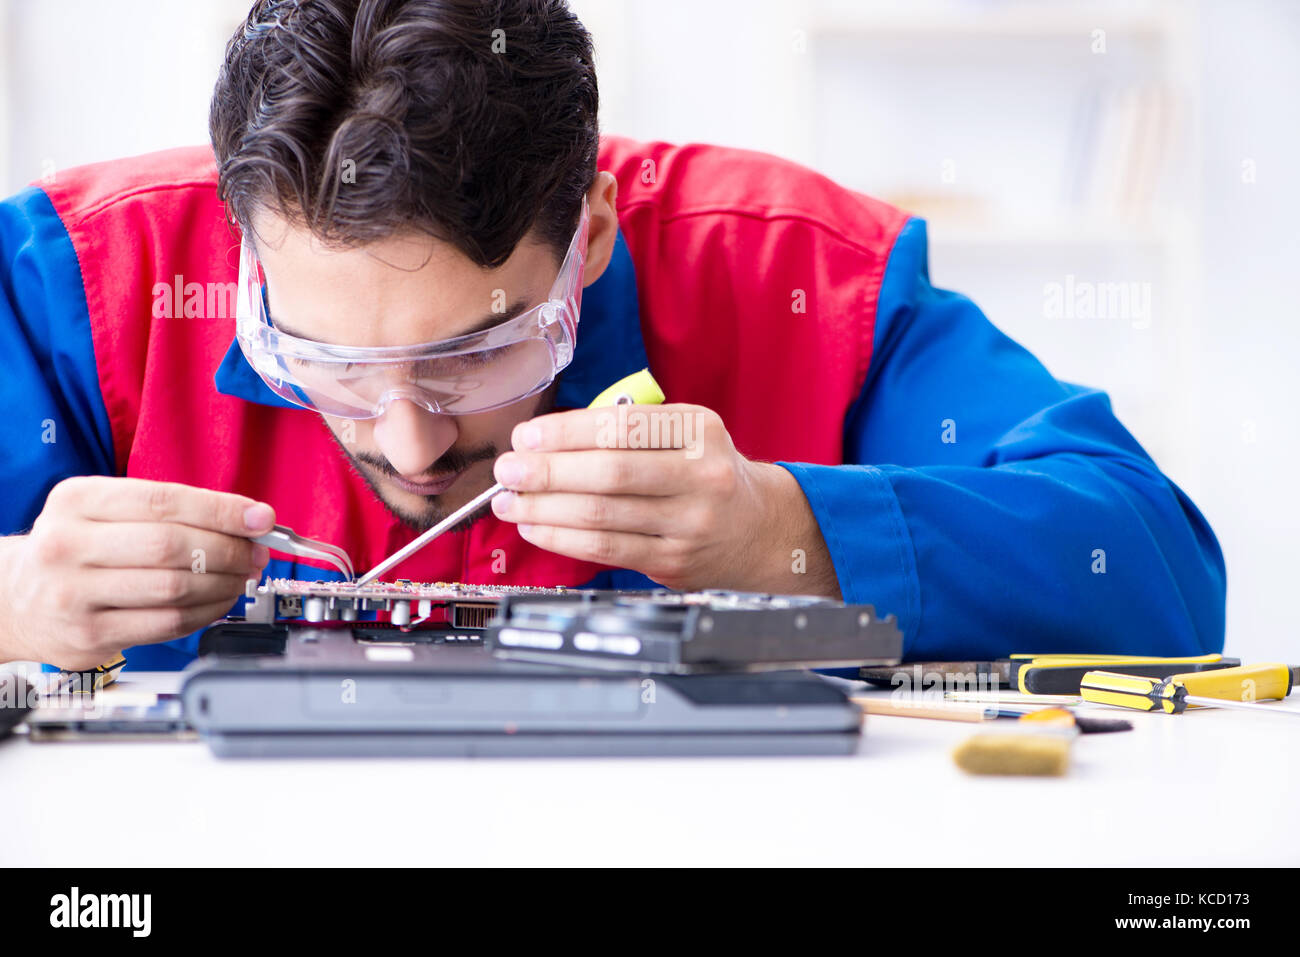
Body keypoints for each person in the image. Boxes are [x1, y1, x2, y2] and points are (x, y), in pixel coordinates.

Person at [0, 0, 1224, 672]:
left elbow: (1158, 572)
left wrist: (782, 534)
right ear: (244, 247)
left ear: (590, 228)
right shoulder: (80, 275)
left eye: (476, 352)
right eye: (326, 365)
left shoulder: (805, 270)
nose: (414, 445)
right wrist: (16, 600)